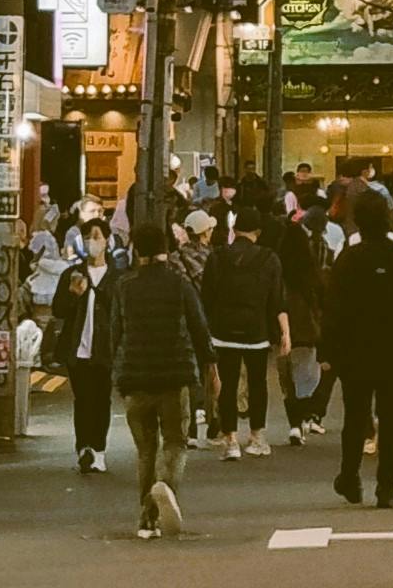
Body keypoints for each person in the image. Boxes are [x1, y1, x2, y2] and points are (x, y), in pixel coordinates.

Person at [325, 193, 393, 507]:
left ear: (358, 219)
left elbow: (333, 307)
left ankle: (349, 476)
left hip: (354, 348)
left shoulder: (349, 258)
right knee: (391, 416)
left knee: (356, 416)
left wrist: (329, 351)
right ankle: (387, 486)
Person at [115, 215, 213, 538]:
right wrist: (210, 367)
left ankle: (147, 521)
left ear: (136, 251)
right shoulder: (179, 284)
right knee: (174, 441)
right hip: (174, 376)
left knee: (146, 450)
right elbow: (199, 328)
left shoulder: (124, 287)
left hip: (135, 378)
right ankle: (163, 490)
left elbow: (115, 333)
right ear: (166, 250)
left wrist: (117, 374)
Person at [201, 207, 290, 457]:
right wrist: (285, 333)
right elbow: (277, 300)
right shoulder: (269, 258)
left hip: (223, 331)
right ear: (258, 232)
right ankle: (257, 436)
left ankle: (230, 440)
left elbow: (206, 297)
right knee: (257, 384)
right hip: (256, 332)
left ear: (234, 228)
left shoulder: (217, 257)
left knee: (227, 385)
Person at [44, 219, 122, 472]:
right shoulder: (72, 274)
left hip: (105, 349)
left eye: (96, 236)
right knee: (83, 399)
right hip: (77, 349)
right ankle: (84, 448)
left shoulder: (117, 277)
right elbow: (59, 310)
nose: (91, 242)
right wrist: (73, 295)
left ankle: (98, 449)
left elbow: (120, 313)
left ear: (107, 241)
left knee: (101, 400)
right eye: (87, 236)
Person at [272, 200, 328, 442]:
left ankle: (293, 424)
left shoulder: (277, 271)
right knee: (306, 374)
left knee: (287, 378)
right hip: (306, 329)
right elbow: (322, 298)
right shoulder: (311, 272)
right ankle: (305, 418)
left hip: (281, 326)